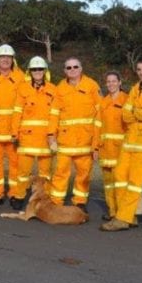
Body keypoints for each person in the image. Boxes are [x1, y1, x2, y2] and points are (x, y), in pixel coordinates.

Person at [101, 58, 142, 232]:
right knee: (119, 176)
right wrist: (139, 113)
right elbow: (125, 115)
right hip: (130, 142)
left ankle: (122, 219)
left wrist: (135, 112)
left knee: (133, 183)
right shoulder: (135, 88)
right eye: (139, 69)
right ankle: (128, 215)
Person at [47, 57, 101, 213]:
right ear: (64, 71)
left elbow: (100, 114)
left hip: (85, 141)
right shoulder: (60, 88)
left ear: (81, 68)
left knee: (84, 175)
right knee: (60, 173)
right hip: (64, 141)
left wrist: (96, 143)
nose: (72, 70)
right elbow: (54, 114)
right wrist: (51, 136)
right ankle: (56, 202)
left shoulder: (92, 86)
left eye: (75, 67)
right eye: (69, 67)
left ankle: (80, 202)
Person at [9, 56, 56, 210]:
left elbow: (54, 115)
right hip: (26, 138)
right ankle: (19, 196)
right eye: (34, 69)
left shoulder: (52, 90)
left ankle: (44, 198)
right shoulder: (23, 89)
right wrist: (14, 133)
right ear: (30, 71)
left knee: (45, 173)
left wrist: (52, 135)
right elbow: (17, 112)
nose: (37, 72)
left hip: (45, 138)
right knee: (23, 172)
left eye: (40, 69)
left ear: (45, 71)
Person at [0, 44, 24, 207]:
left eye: (8, 57)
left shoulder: (21, 77)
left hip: (14, 131)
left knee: (16, 165)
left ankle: (15, 194)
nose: (5, 60)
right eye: (2, 57)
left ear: (13, 59)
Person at [98, 71, 128, 221]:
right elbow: (97, 125)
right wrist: (95, 147)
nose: (111, 84)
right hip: (105, 149)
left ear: (120, 82)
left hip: (120, 150)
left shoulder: (126, 100)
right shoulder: (103, 102)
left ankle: (123, 213)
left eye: (114, 81)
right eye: (108, 81)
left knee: (120, 183)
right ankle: (112, 211)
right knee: (108, 184)